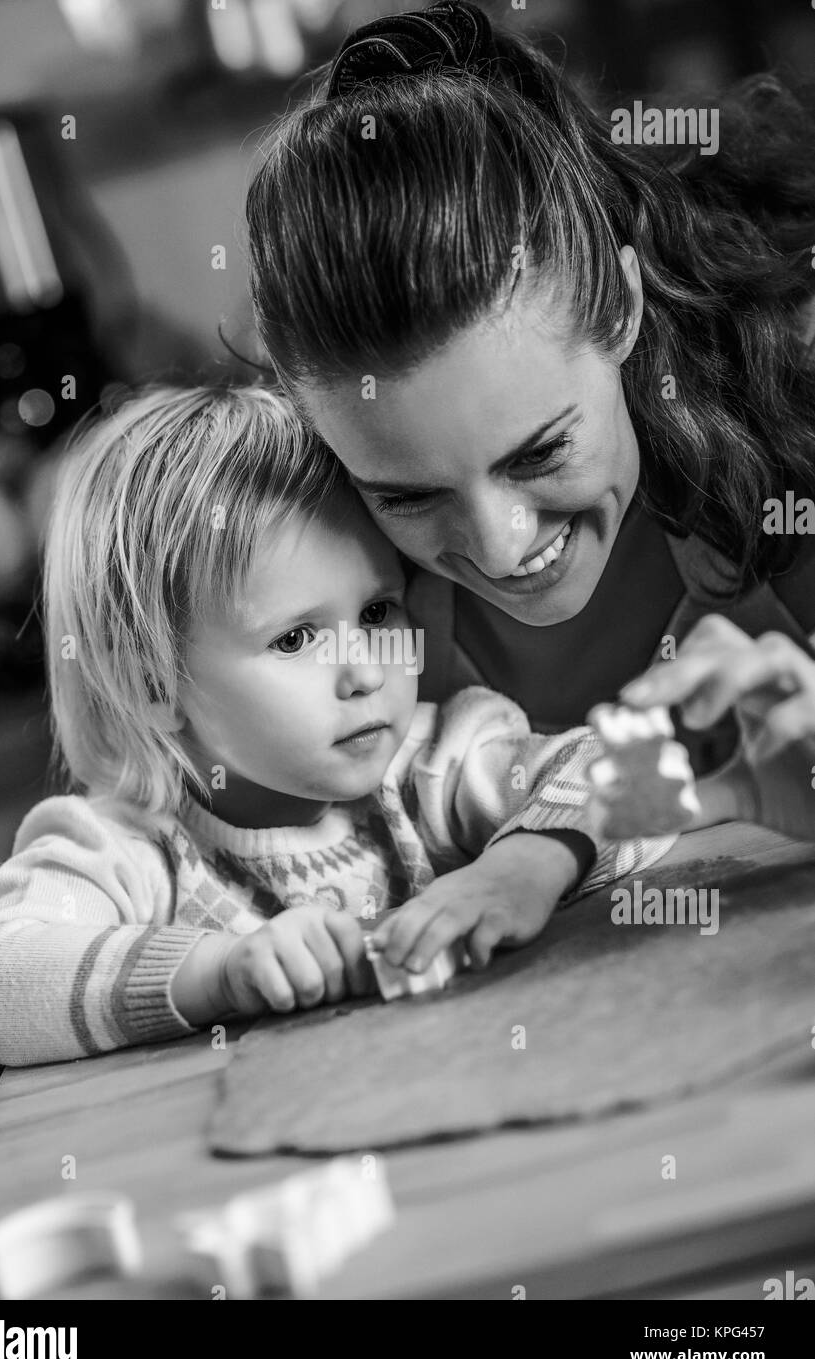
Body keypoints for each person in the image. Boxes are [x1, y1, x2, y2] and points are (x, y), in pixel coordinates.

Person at [0, 384, 679, 1067]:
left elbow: (650, 774)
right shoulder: (122, 852)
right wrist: (219, 975)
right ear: (151, 684)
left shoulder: (437, 764)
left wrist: (518, 870)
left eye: (376, 613)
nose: (364, 670)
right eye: (295, 638)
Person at [245, 0, 815, 839]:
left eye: (540, 453)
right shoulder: (310, 580)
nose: (502, 546)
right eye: (406, 497)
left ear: (620, 306)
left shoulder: (788, 422)